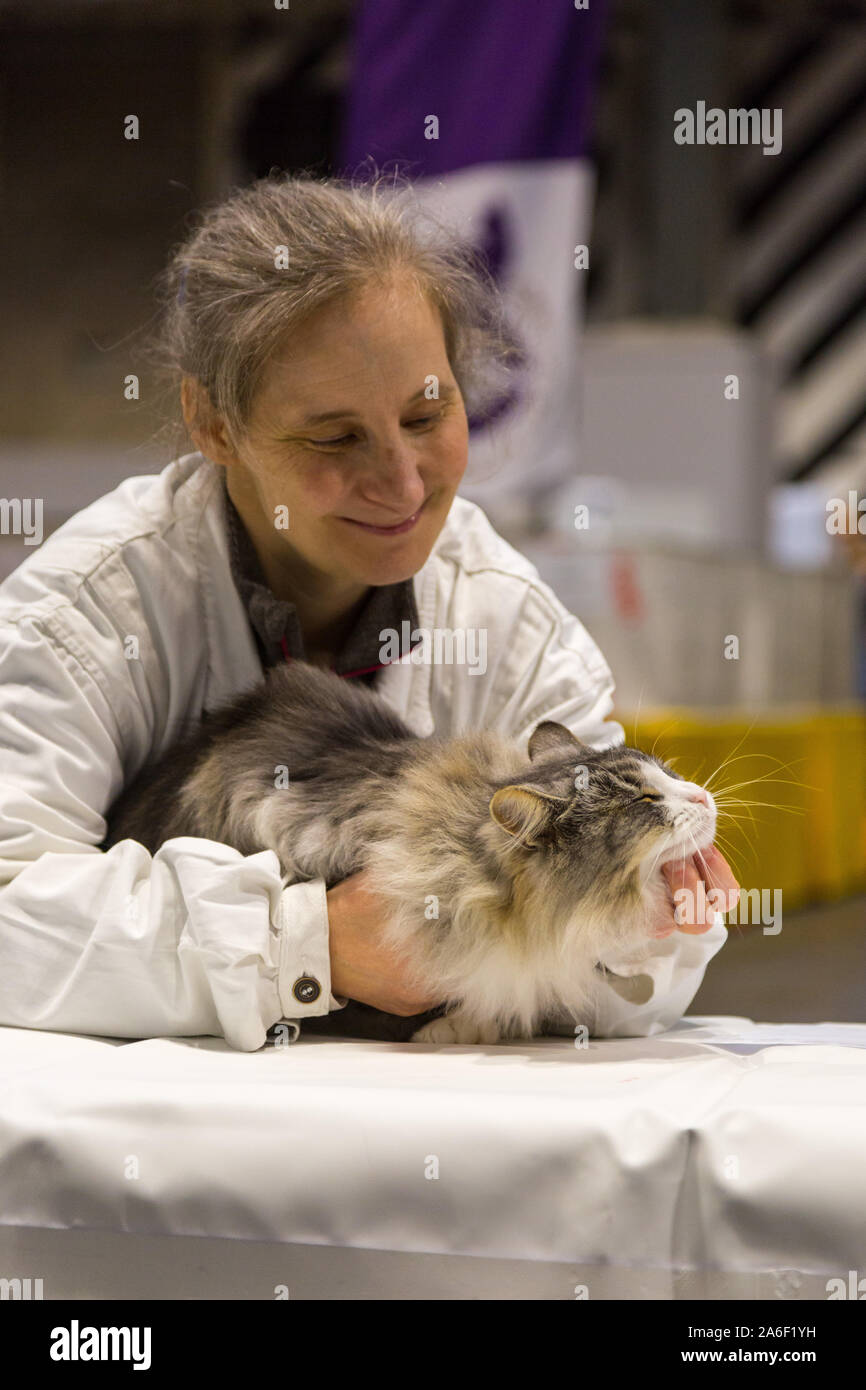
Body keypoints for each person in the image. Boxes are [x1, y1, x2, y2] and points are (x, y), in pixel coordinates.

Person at [0, 173, 739, 1051]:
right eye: (335, 437)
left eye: (428, 414)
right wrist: (303, 944)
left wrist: (648, 925)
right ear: (214, 423)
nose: (401, 482)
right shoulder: (82, 614)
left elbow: (623, 1000)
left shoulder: (511, 627)